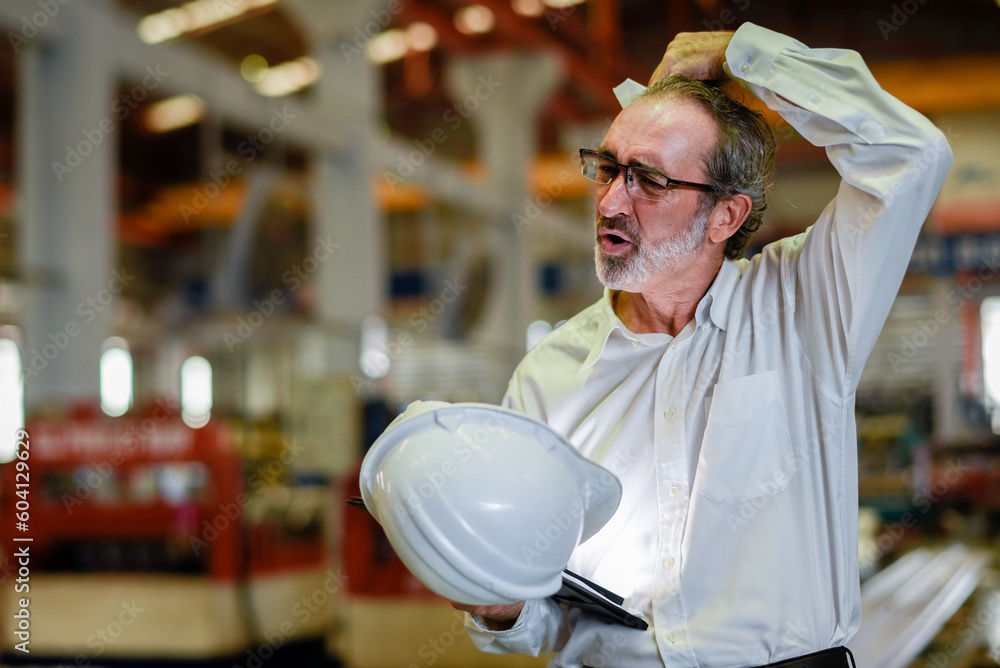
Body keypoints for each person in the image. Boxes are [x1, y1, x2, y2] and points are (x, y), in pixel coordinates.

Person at [449, 21, 953, 668]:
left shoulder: (804, 306)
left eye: (649, 180)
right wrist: (505, 609)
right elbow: (539, 611)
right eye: (606, 168)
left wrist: (744, 53)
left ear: (726, 216)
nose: (610, 201)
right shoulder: (549, 376)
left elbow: (911, 153)